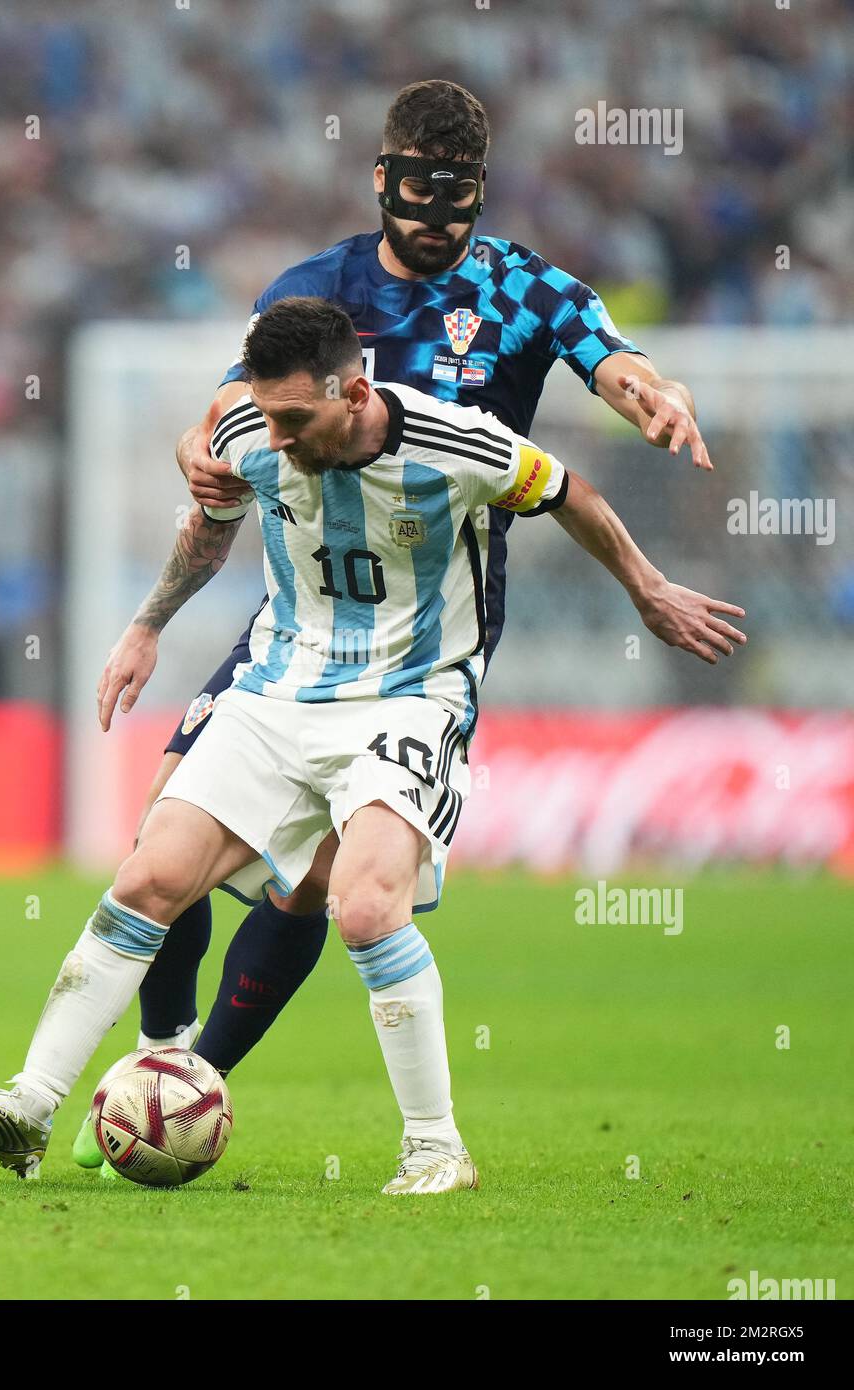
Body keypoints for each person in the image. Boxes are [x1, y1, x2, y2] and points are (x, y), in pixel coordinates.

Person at [0, 298, 745, 1195]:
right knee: (148, 879)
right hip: (278, 687)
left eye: (293, 420)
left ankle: (436, 1148)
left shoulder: (460, 444)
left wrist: (647, 588)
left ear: (355, 393)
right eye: (265, 416)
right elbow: (212, 520)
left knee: (363, 906)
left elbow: (569, 492)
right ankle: (30, 1106)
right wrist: (147, 624)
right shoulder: (253, 429)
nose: (273, 438)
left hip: (411, 695)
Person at [75, 80, 722, 1167]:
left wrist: (649, 391)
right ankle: (159, 1056)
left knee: (329, 875)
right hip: (297, 609)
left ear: (479, 192)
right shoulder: (317, 286)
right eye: (418, 196)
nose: (437, 220)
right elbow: (234, 402)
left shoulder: (520, 288)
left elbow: (607, 353)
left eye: (457, 201)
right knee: (159, 842)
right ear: (381, 180)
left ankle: (191, 1091)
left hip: (426, 620)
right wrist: (197, 442)